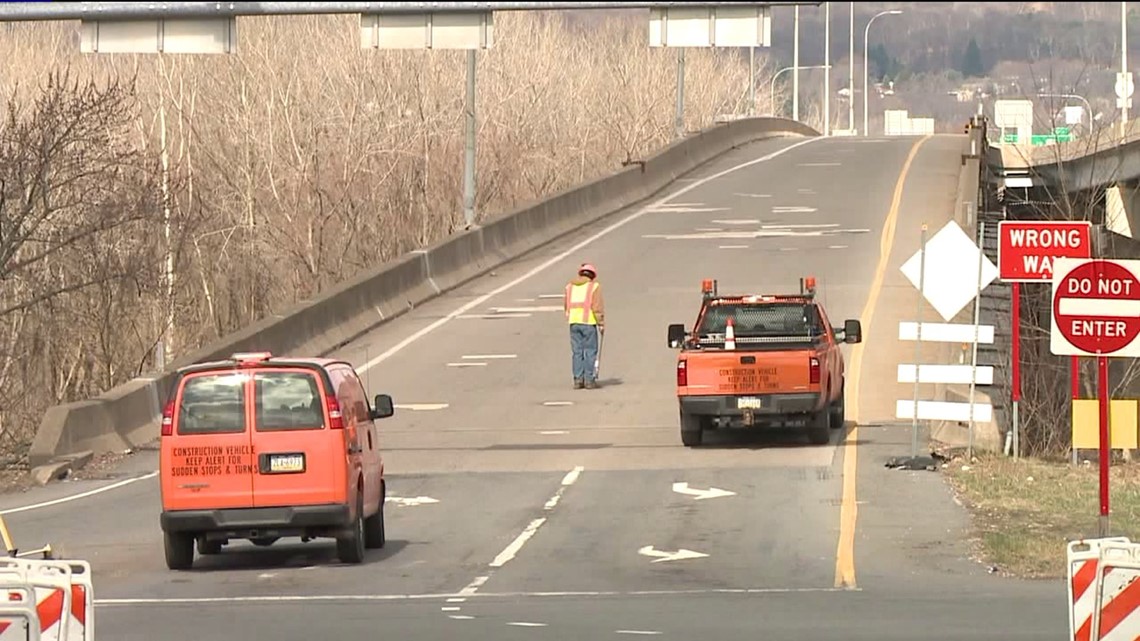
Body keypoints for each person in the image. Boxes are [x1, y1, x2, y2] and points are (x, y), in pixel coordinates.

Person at [564, 263, 605, 389]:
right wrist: (601, 324)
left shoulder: (569, 287)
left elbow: (566, 305)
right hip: (588, 323)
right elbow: (597, 307)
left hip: (573, 323)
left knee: (577, 352)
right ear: (592, 276)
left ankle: (578, 379)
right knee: (590, 351)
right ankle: (589, 380)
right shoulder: (594, 287)